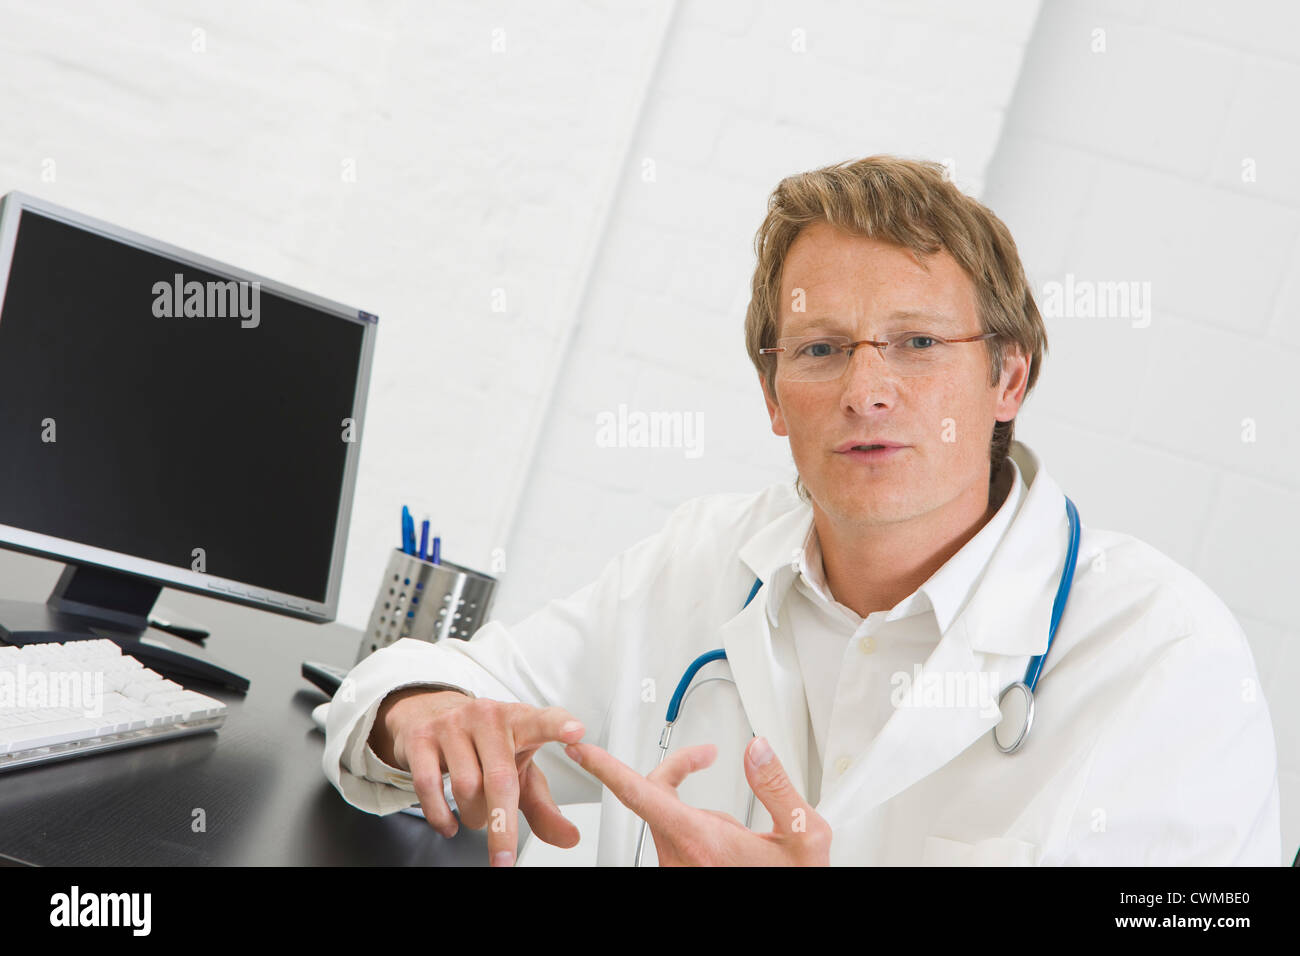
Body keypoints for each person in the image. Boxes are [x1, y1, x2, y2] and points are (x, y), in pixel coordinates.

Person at [322, 155, 1282, 866]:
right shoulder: (702, 563)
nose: (867, 390)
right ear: (775, 400)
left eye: (915, 342)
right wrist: (422, 712)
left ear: (1008, 377)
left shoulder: (1161, 653)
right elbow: (418, 684)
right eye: (821, 350)